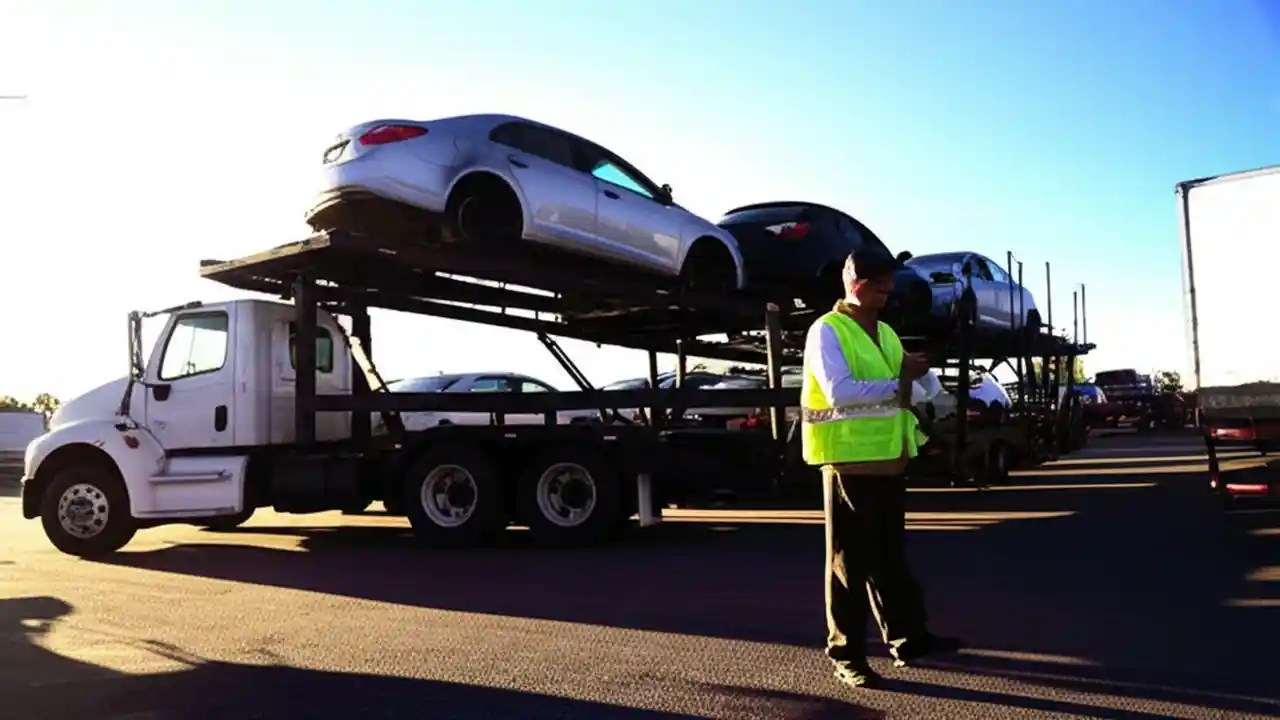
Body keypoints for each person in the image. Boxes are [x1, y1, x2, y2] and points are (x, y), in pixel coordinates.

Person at [799, 248, 961, 689]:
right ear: (856, 286)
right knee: (849, 567)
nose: (888, 295)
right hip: (849, 463)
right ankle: (846, 656)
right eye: (880, 288)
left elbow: (916, 388)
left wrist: (927, 383)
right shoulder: (827, 330)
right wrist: (904, 381)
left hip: (889, 462)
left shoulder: (887, 332)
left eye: (890, 287)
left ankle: (909, 639)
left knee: (891, 561)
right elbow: (839, 392)